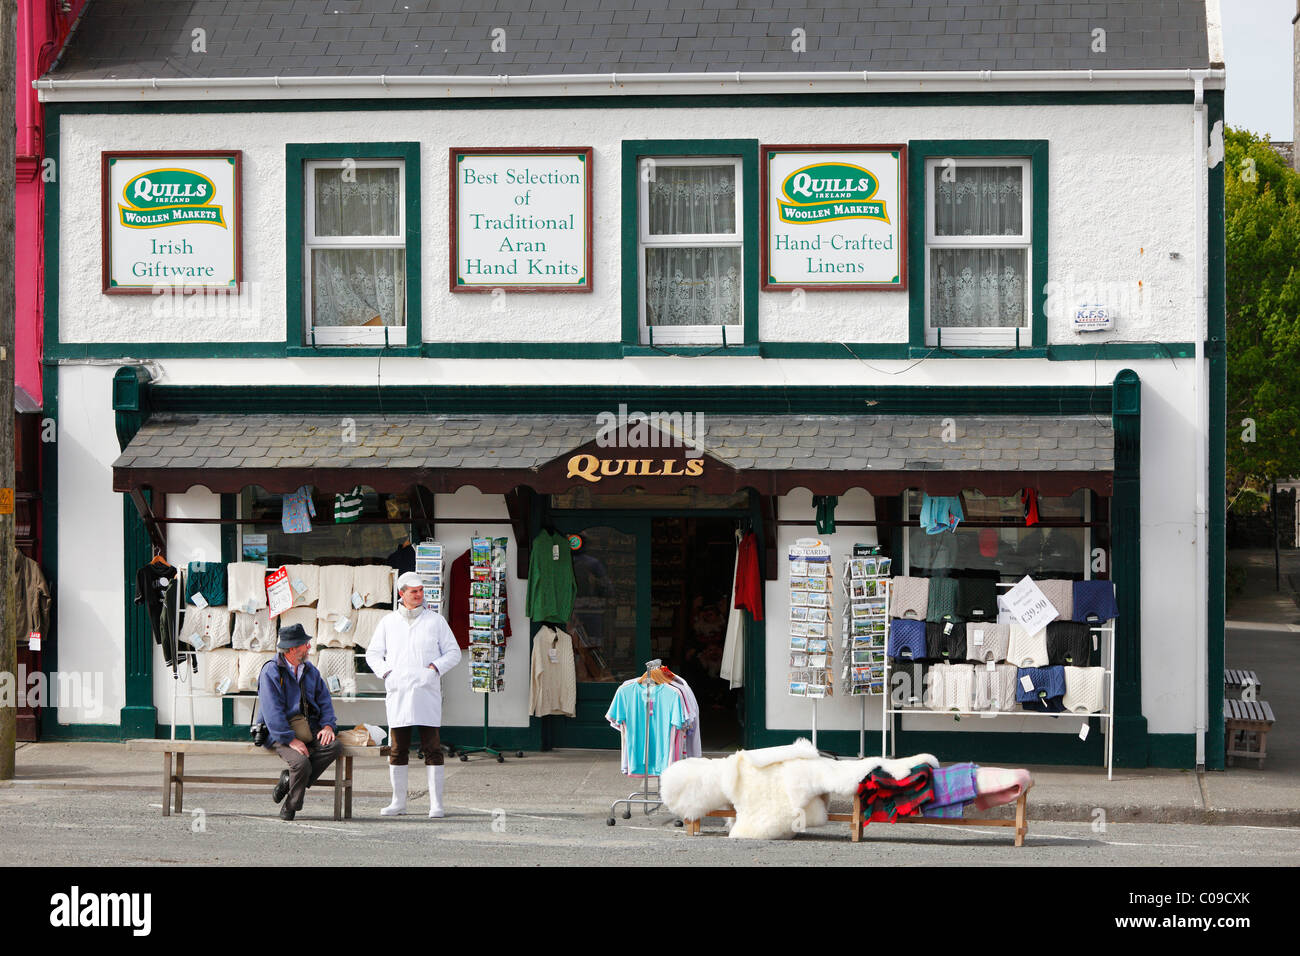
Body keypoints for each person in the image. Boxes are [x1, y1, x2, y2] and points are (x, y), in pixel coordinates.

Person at [365, 571, 462, 817]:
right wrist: (387, 673)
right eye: (413, 591)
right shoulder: (388, 622)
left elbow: (453, 653)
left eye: (421, 591)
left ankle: (436, 804)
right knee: (397, 748)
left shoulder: (435, 621)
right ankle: (398, 802)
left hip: (426, 691)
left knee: (432, 746)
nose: (419, 595)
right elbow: (373, 654)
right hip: (398, 691)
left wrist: (434, 669)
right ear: (401, 593)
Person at [257, 623, 341, 821]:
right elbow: (272, 713)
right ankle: (291, 806)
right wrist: (290, 740)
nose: (309, 647)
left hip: (309, 728)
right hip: (279, 732)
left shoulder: (310, 670)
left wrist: (328, 725)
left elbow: (324, 701)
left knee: (334, 746)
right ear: (293, 648)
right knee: (301, 763)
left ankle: (288, 780)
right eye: (306, 644)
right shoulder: (271, 672)